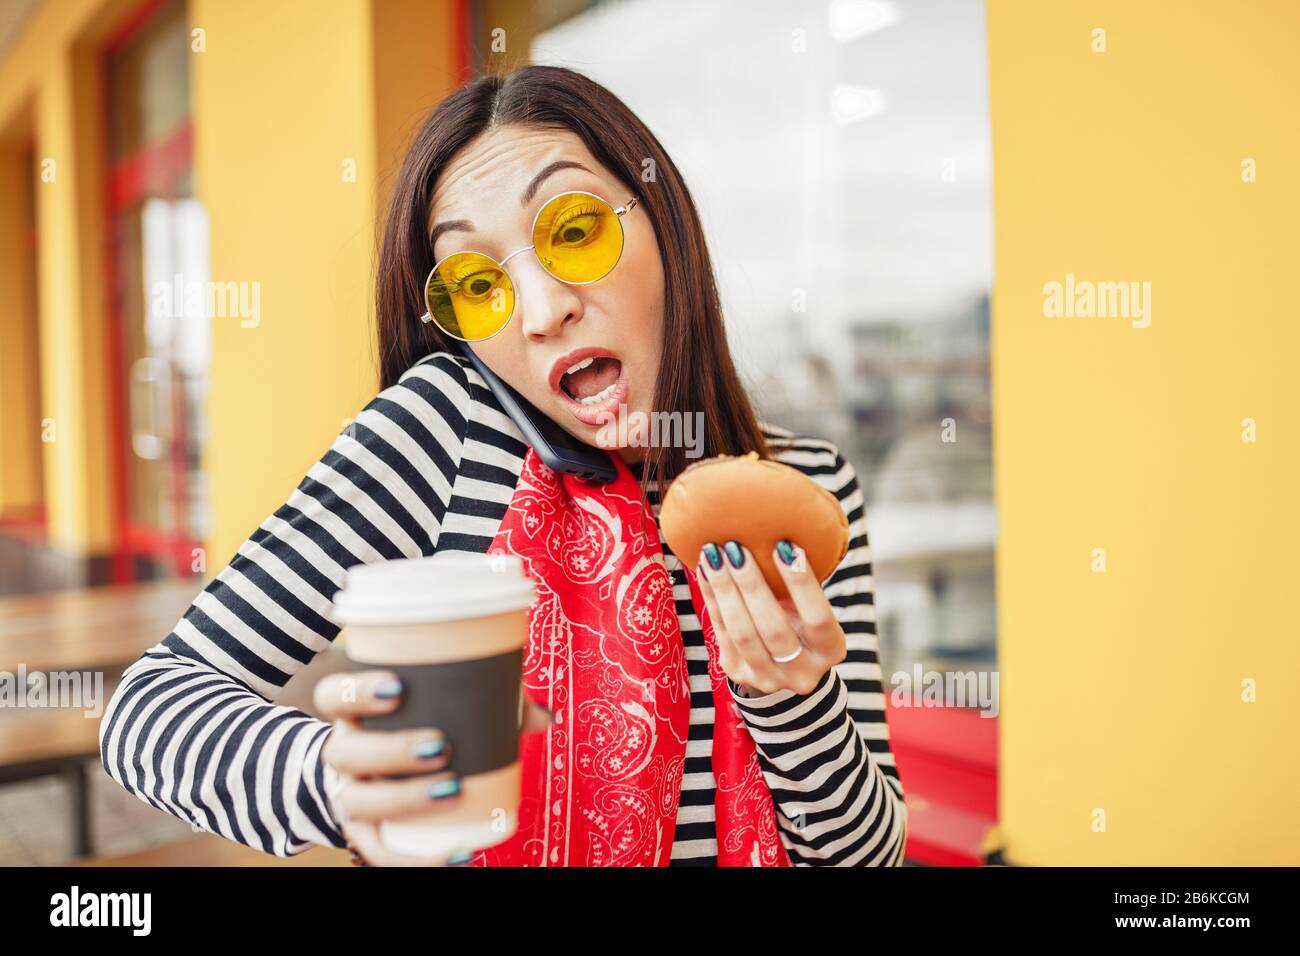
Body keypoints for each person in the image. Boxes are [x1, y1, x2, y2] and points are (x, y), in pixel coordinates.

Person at [99, 65, 907, 867]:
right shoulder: (445, 433)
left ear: (663, 224)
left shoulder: (806, 490)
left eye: (575, 232)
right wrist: (332, 777)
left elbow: (866, 855)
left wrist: (794, 701)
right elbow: (146, 712)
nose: (544, 309)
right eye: (480, 283)